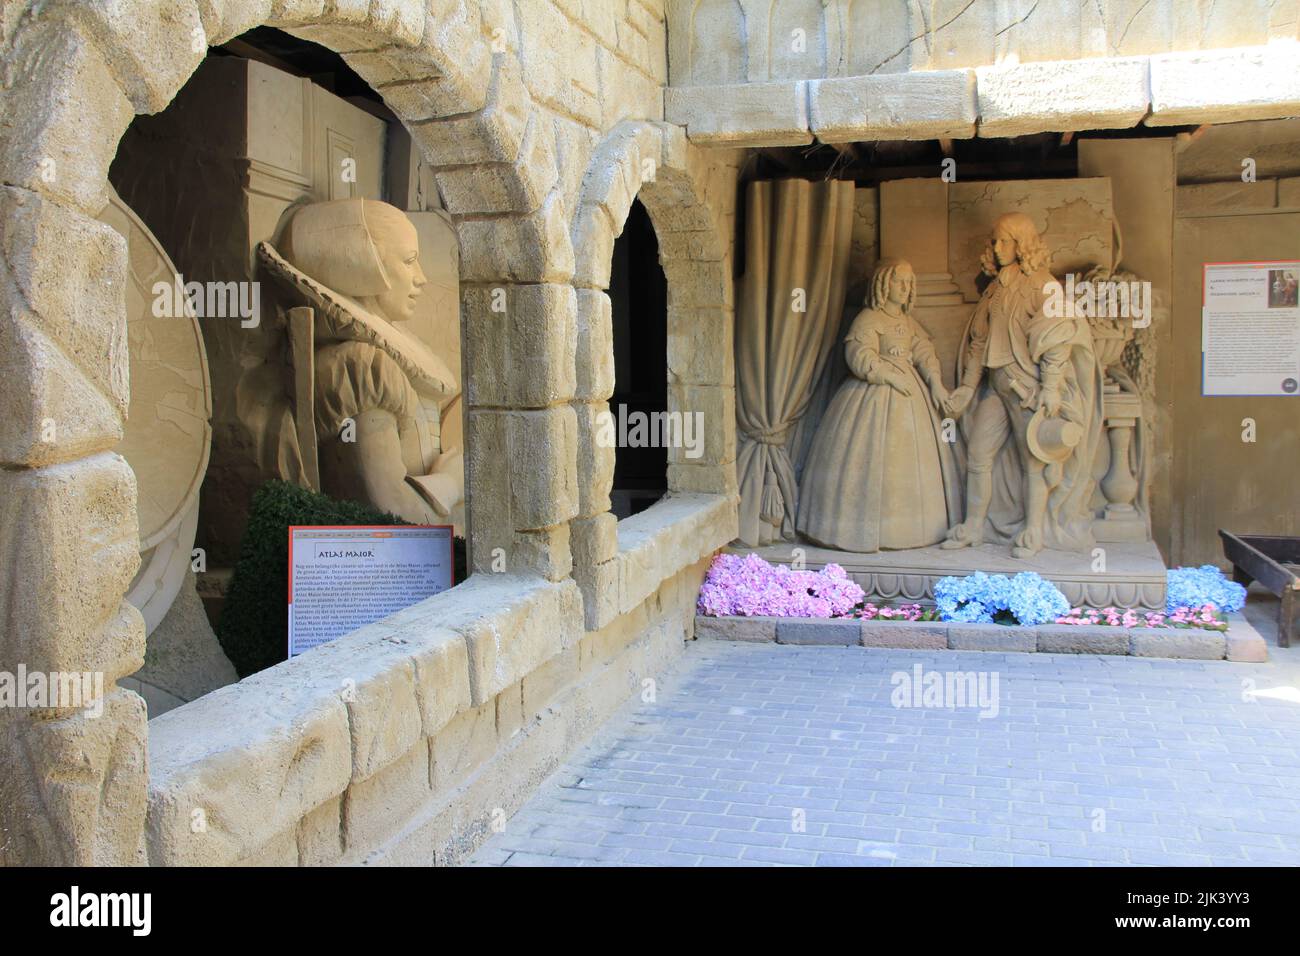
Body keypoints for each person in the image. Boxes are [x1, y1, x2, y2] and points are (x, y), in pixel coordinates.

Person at [259, 198, 463, 523]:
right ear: (366, 268)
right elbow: (390, 515)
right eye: (408, 261)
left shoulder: (372, 362)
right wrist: (451, 483)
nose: (421, 277)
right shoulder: (360, 368)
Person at [940, 212, 1104, 558]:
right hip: (995, 388)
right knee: (978, 454)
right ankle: (973, 526)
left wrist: (1051, 386)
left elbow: (1057, 337)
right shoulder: (996, 288)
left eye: (1005, 241)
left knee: (1035, 459)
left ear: (1022, 244)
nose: (997, 248)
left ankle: (1033, 531)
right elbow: (979, 342)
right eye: (995, 241)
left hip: (1025, 385)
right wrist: (969, 387)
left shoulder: (1042, 285)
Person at [797, 259, 962, 552]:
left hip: (912, 397)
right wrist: (886, 376)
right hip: (872, 396)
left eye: (909, 282)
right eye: (900, 281)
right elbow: (858, 354)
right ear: (884, 283)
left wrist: (935, 382)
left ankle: (909, 531)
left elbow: (924, 351)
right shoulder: (869, 318)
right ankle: (858, 531)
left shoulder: (907, 322)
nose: (905, 287)